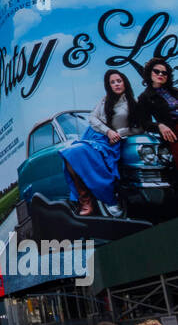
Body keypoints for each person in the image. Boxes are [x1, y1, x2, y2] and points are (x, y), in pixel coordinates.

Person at [60, 71, 143, 216]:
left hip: (111, 142)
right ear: (108, 86)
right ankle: (86, 200)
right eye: (112, 82)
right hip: (94, 136)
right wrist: (108, 131)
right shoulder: (106, 100)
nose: (116, 84)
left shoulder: (132, 102)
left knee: (73, 154)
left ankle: (109, 198)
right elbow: (92, 118)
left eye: (119, 80)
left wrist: (119, 133)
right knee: (69, 156)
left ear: (125, 82)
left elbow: (140, 127)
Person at [137, 57, 178, 167]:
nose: (161, 74)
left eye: (164, 73)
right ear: (149, 73)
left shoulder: (175, 91)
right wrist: (160, 125)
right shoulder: (145, 97)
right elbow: (145, 123)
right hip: (173, 130)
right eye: (156, 71)